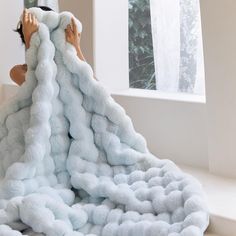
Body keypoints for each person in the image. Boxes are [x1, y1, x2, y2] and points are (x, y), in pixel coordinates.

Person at [10, 6, 89, 86]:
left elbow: (96, 91)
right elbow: (40, 89)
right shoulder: (20, 70)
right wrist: (29, 38)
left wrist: (76, 48)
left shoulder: (70, 67)